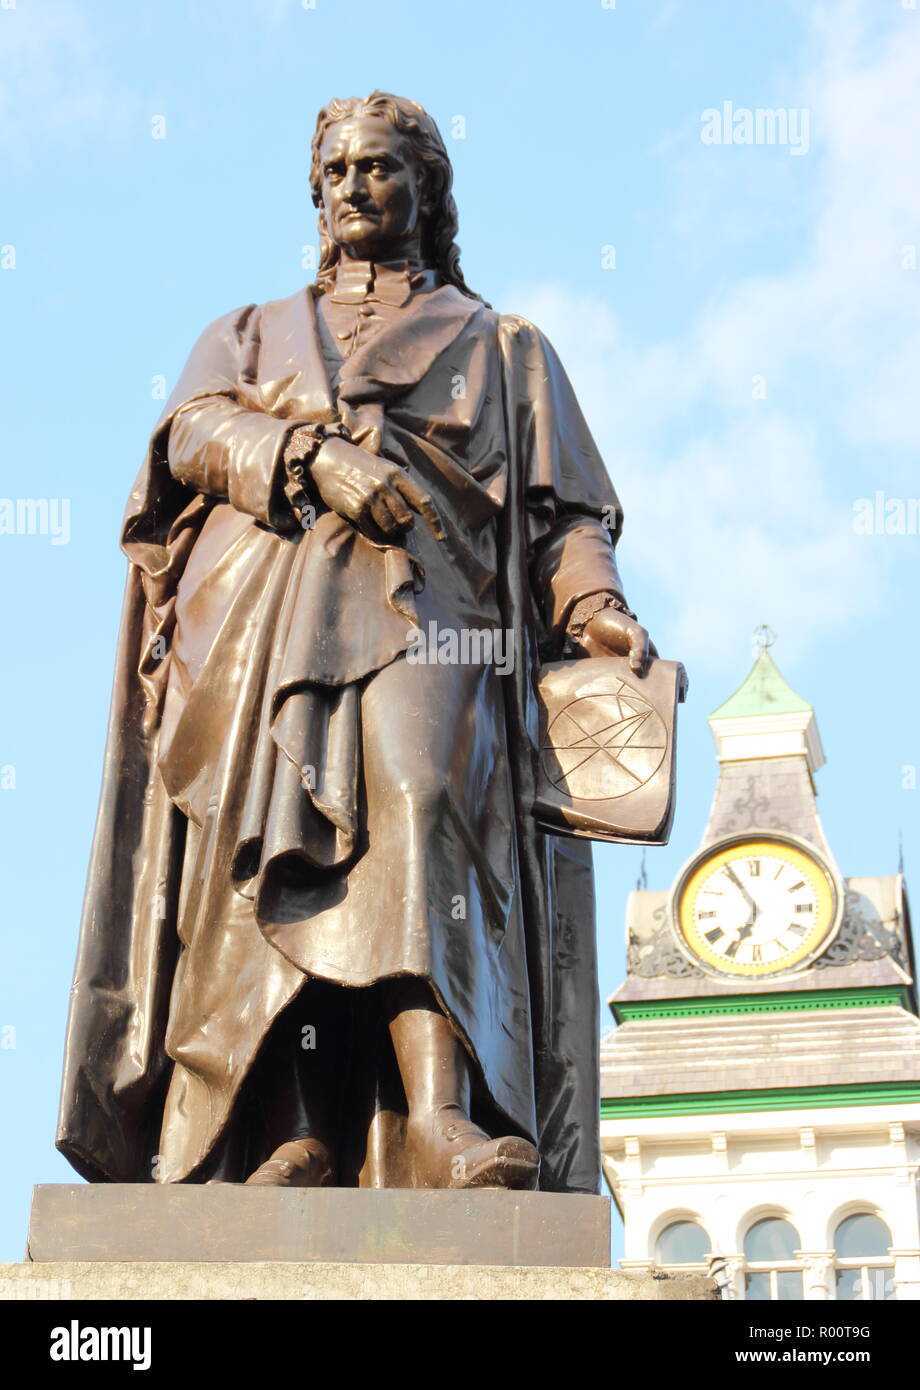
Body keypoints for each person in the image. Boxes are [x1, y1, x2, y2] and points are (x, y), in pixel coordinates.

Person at [56, 91, 655, 1195]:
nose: (351, 188)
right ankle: (291, 1125)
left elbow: (562, 516)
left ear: (426, 189)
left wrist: (594, 607)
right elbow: (186, 434)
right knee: (264, 857)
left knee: (422, 805)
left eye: (377, 168)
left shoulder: (506, 345)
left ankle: (437, 1114)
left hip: (436, 619)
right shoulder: (245, 332)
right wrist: (305, 459)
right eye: (333, 172)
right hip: (260, 631)